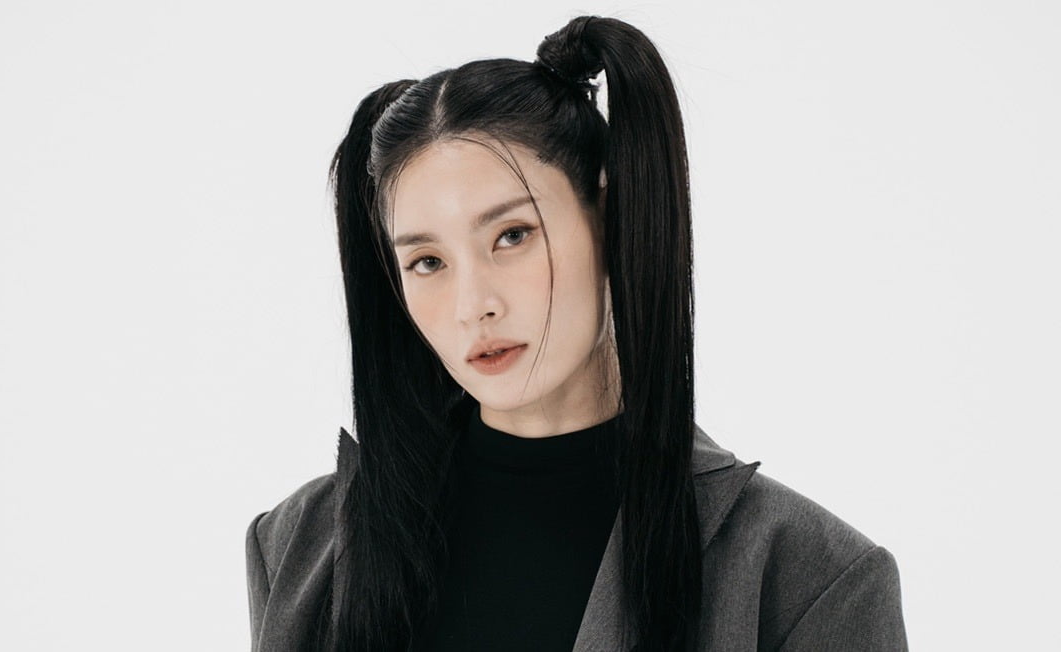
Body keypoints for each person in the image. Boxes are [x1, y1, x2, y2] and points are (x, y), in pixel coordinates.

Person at [245, 15, 909, 652]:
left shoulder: (809, 579)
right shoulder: (300, 546)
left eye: (512, 235)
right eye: (427, 262)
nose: (473, 306)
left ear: (610, 215)